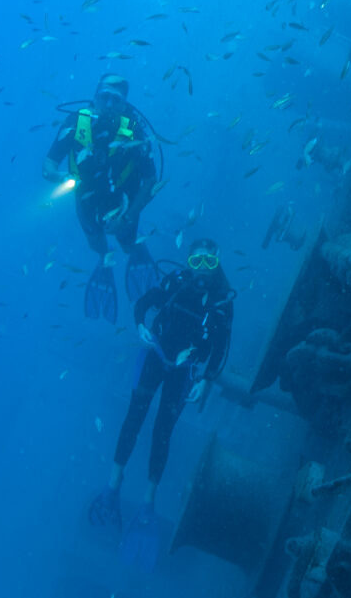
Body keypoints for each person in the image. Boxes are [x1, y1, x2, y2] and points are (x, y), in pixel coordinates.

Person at [87, 237, 235, 569]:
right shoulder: (175, 281)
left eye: (208, 263)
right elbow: (143, 303)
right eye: (196, 262)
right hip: (156, 355)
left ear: (217, 262)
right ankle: (113, 486)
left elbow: (221, 348)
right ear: (188, 263)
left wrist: (205, 381)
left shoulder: (222, 301)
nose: (201, 271)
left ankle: (148, 503)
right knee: (133, 419)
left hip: (183, 372)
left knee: (162, 431)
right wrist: (140, 326)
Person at [42, 73, 160, 321]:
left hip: (124, 201)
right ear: (94, 98)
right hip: (87, 199)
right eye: (104, 97)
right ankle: (104, 263)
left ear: (124, 104)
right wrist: (61, 177)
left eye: (115, 100)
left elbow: (150, 180)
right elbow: (49, 165)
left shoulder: (134, 130)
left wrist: (128, 216)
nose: (109, 104)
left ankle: (135, 252)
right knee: (95, 241)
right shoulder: (77, 123)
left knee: (127, 242)